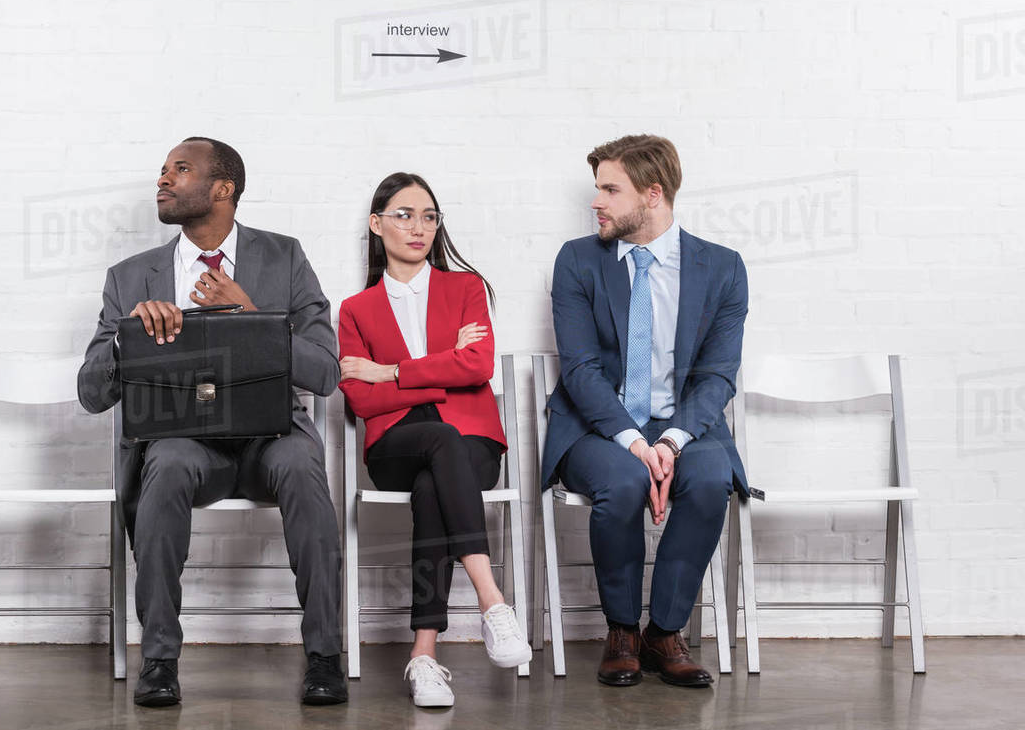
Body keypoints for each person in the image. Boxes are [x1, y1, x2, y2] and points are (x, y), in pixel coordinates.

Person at [77, 137, 347, 707]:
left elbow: (325, 372)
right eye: (163, 170)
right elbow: (91, 393)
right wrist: (130, 336)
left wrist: (253, 315)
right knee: (168, 461)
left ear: (223, 189)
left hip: (270, 435)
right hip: (185, 441)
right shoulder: (130, 278)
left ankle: (325, 654)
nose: (163, 179)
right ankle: (159, 660)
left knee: (302, 463)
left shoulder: (285, 257)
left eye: (181, 169)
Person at [543, 135, 749, 689]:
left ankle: (664, 632)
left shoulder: (723, 268)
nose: (597, 202)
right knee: (623, 482)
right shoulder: (578, 261)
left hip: (684, 423)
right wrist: (637, 444)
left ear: (652, 194)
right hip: (597, 425)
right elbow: (581, 370)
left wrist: (671, 442)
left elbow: (716, 376)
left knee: (710, 479)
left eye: (611, 189)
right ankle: (621, 632)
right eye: (597, 189)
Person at [337, 172, 532, 709]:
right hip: (396, 444)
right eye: (403, 215)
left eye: (429, 216)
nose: (418, 227)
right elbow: (360, 400)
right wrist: (439, 366)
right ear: (377, 225)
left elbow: (479, 365)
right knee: (436, 443)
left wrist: (390, 371)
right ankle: (494, 602)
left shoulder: (465, 288)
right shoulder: (357, 308)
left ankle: (423, 656)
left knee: (435, 483)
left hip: (471, 442)